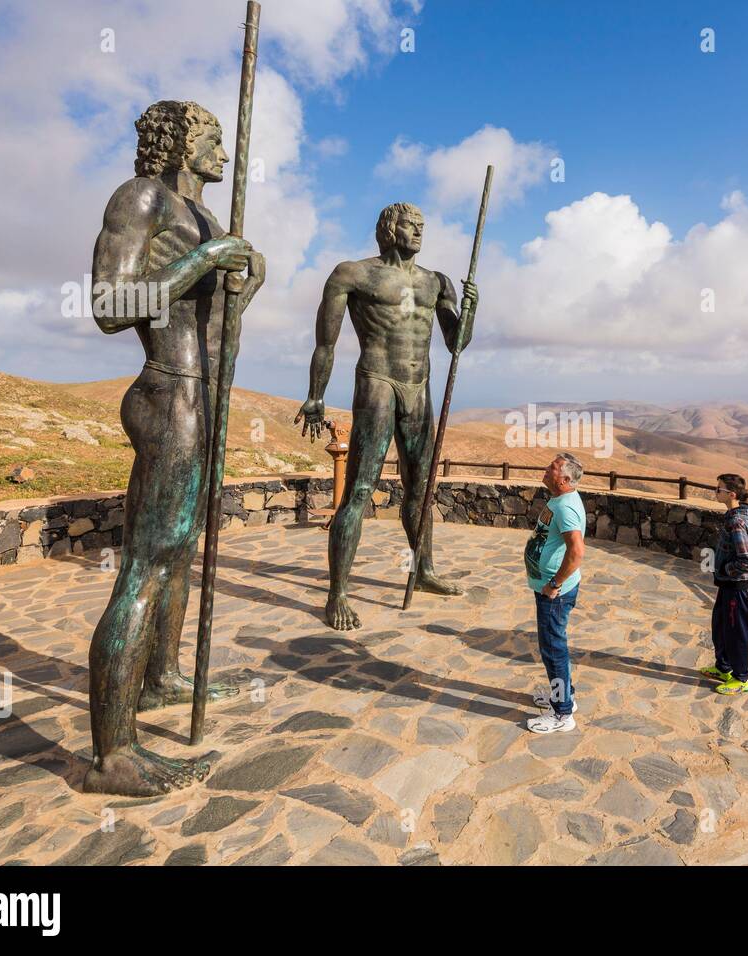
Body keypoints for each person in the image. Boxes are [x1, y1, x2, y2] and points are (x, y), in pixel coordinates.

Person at [86, 100, 265, 796]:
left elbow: (214, 322)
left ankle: (159, 678)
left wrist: (241, 284)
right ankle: (112, 754)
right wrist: (203, 261)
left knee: (177, 558)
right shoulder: (142, 200)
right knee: (148, 564)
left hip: (204, 398)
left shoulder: (207, 220)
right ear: (183, 143)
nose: (223, 152)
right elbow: (107, 304)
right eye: (214, 139)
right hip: (167, 394)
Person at [294, 202, 477, 630]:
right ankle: (337, 592)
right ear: (390, 229)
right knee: (360, 489)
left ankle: (424, 569)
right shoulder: (353, 275)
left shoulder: (437, 282)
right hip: (377, 382)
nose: (419, 232)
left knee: (420, 487)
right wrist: (315, 395)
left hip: (420, 388)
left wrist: (470, 309)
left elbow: (456, 344)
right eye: (411, 225)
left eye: (422, 226)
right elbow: (326, 344)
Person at [525, 453, 587, 733]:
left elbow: (576, 552)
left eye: (552, 467)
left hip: (554, 594)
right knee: (554, 649)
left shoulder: (566, 508)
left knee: (553, 651)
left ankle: (562, 713)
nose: (546, 469)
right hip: (550, 590)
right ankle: (564, 697)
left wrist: (554, 584)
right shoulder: (560, 499)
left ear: (564, 480)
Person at [701, 473, 748, 695]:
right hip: (727, 585)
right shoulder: (734, 516)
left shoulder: (736, 521)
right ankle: (723, 668)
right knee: (721, 626)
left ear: (731, 494)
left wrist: (725, 569)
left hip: (735, 587)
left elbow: (747, 561)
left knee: (736, 632)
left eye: (719, 489)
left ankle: (741, 678)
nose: (716, 492)